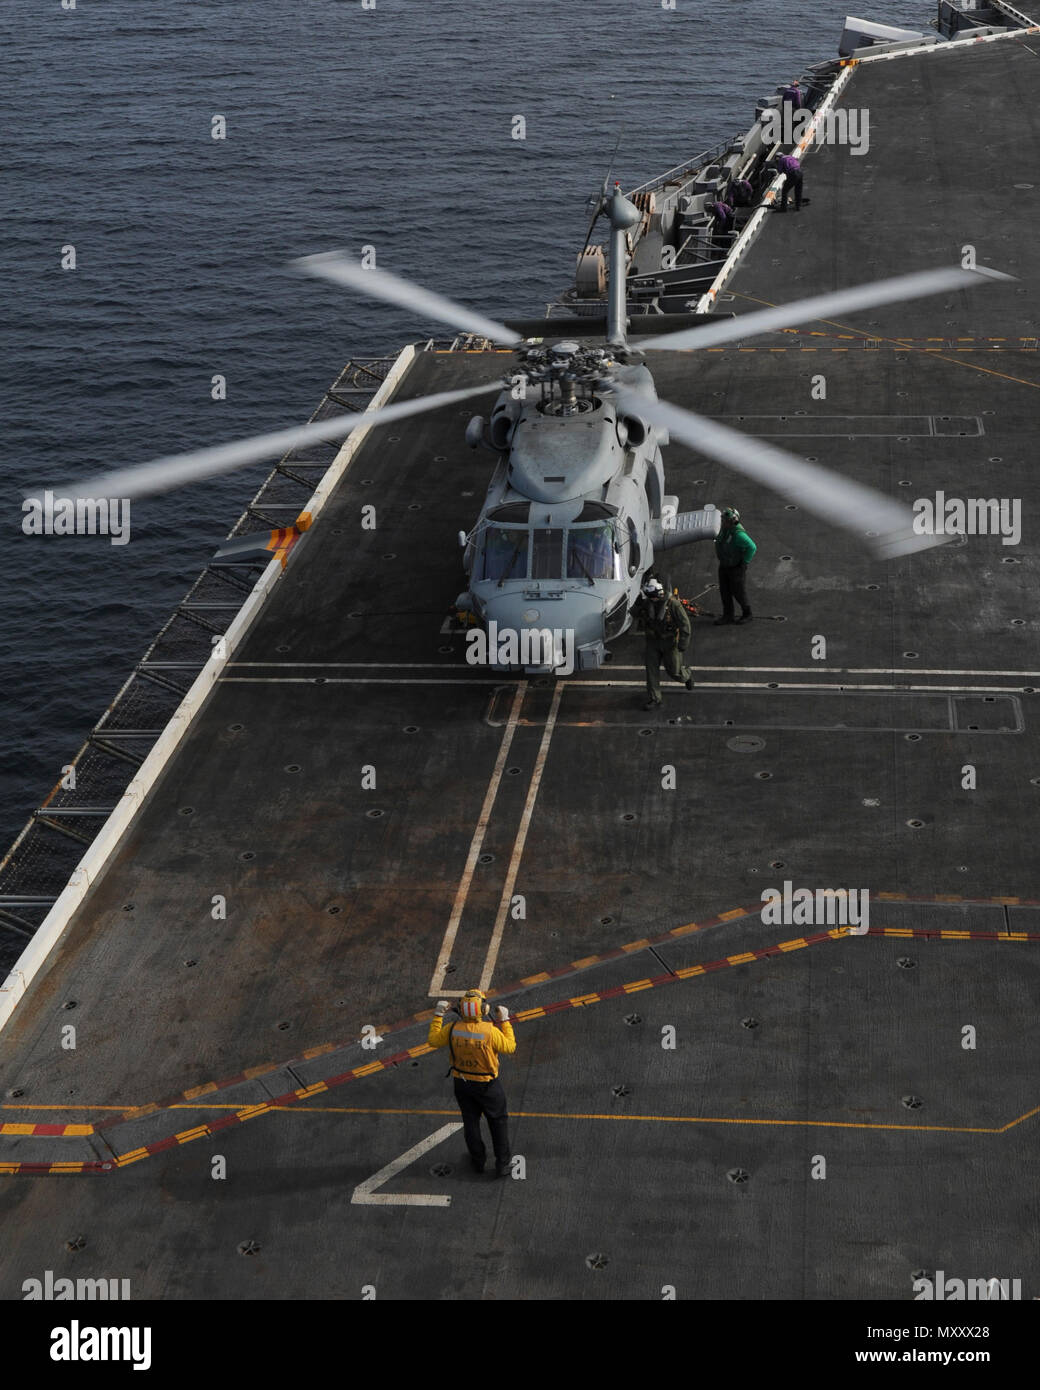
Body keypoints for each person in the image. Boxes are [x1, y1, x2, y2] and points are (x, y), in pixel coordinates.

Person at [429, 989, 516, 1177]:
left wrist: (438, 1015)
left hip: (462, 1083)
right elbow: (510, 1047)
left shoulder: (453, 1029)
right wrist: (505, 1020)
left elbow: (433, 1041)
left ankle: (478, 1161)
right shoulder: (489, 1032)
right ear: (484, 1010)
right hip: (488, 1085)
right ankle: (502, 1164)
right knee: (498, 1122)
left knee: (471, 1122)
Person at [632, 576, 693, 709]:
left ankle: (687, 676)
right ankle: (655, 698)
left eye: (653, 596)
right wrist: (637, 605)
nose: (652, 599)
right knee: (651, 670)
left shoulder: (673, 604)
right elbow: (634, 613)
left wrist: (683, 643)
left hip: (669, 643)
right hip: (652, 641)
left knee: (674, 672)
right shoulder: (646, 601)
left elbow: (685, 625)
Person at [714, 507, 757, 625]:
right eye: (722, 520)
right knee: (725, 591)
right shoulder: (725, 530)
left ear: (732, 522)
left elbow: (752, 547)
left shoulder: (739, 535)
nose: (722, 522)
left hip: (735, 568)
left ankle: (747, 614)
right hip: (724, 565)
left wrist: (744, 563)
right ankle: (728, 615)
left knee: (739, 592)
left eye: (725, 521)